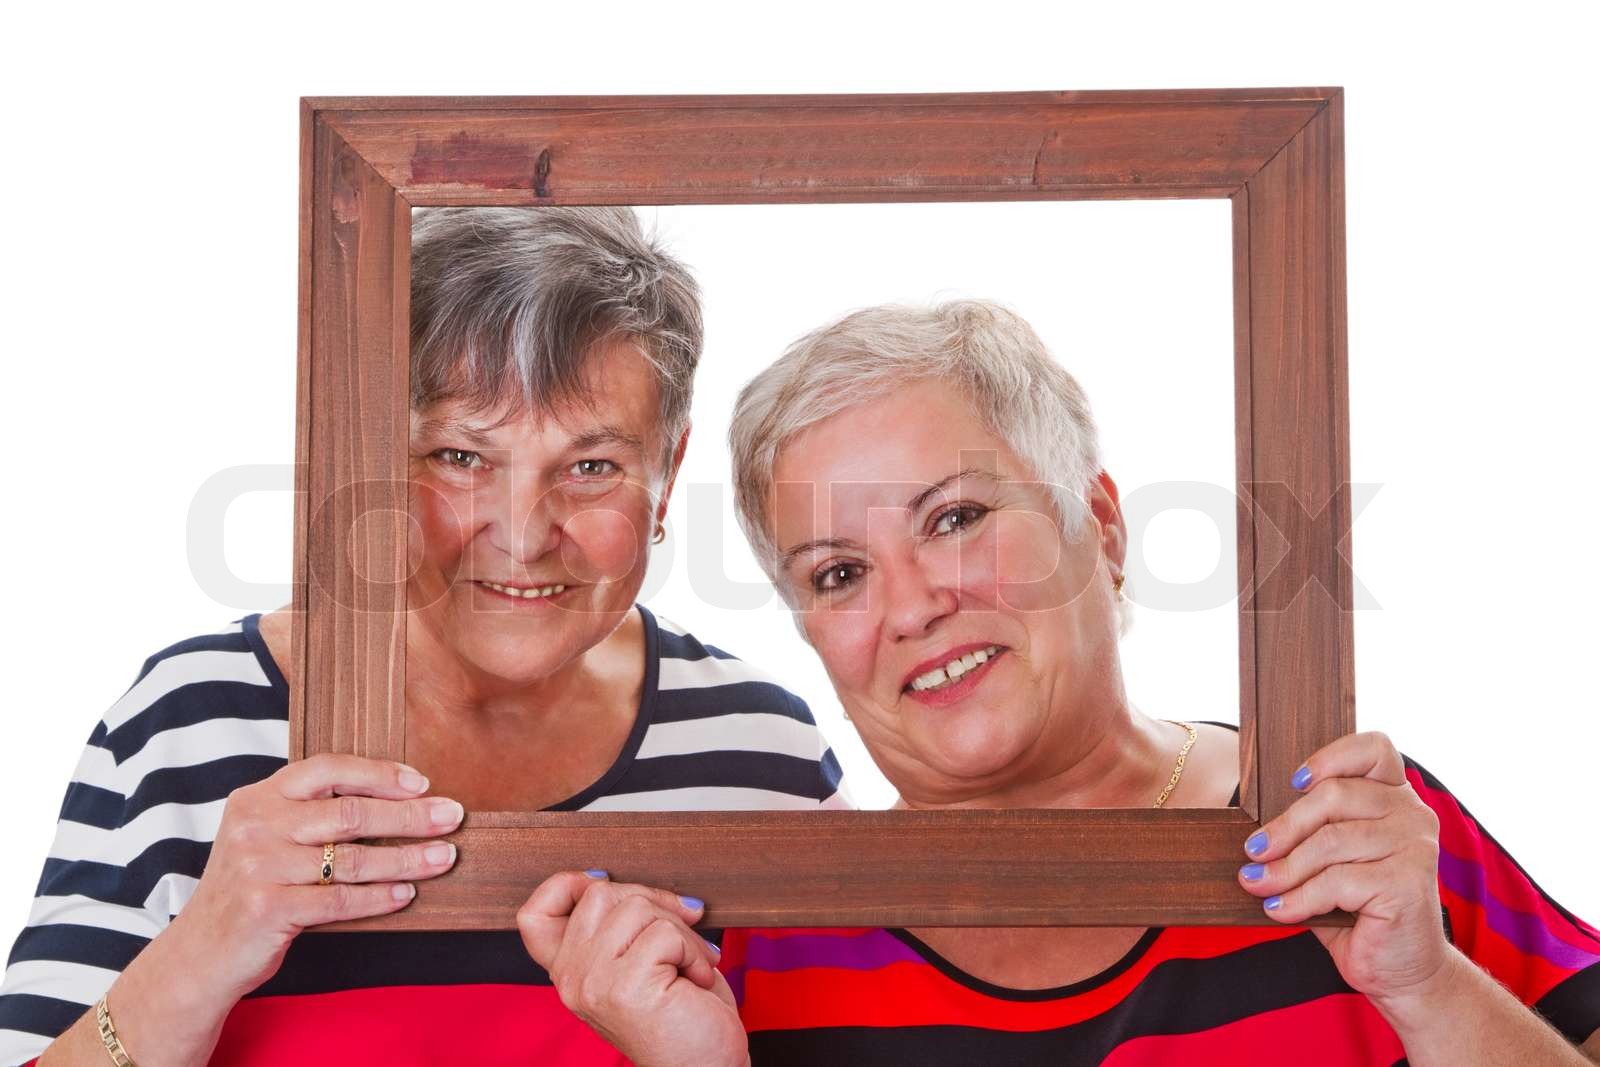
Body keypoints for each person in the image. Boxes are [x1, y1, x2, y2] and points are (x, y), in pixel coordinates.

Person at [519, 300, 1600, 1065]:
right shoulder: (764, 952)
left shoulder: (1349, 830)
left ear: (1105, 526)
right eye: (839, 572)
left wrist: (1426, 989)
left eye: (955, 517)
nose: (910, 605)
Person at [0, 207, 846, 1067]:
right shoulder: (190, 725)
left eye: (592, 466)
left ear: (665, 480)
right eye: (461, 456)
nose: (525, 534)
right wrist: (200, 952)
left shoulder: (761, 753)